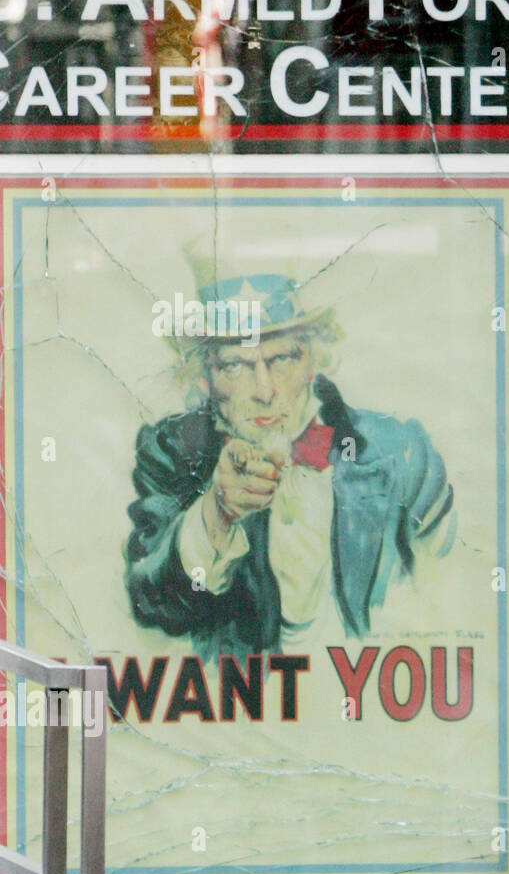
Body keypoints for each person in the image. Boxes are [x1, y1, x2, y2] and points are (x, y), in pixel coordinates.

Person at [126, 273, 455, 661]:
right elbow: (152, 604)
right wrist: (217, 514)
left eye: (281, 359)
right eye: (235, 366)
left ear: (312, 359)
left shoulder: (400, 451)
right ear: (204, 377)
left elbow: (446, 592)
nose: (264, 391)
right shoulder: (171, 452)